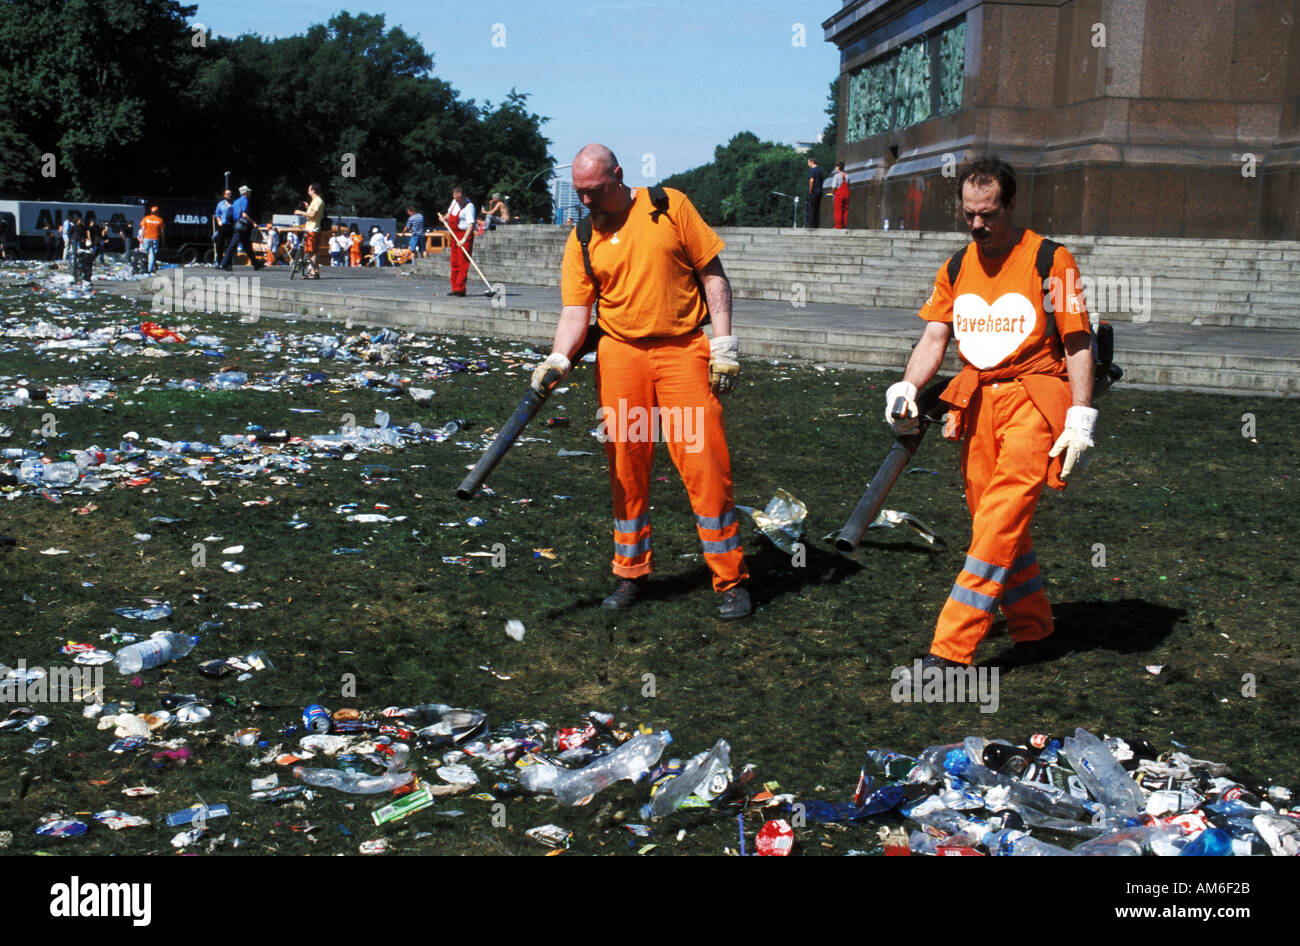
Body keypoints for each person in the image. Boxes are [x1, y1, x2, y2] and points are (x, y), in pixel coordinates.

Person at [885, 155, 1096, 674]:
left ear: (1011, 204)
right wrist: (908, 386)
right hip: (978, 403)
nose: (978, 224)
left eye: (989, 213)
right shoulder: (957, 266)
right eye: (969, 214)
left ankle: (951, 649)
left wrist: (1081, 416)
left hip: (1036, 400)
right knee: (994, 523)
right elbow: (935, 336)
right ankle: (1035, 628)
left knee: (998, 521)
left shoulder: (1052, 259)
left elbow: (1077, 339)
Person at [531, 143, 751, 620]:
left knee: (705, 466)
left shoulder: (668, 206)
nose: (585, 201)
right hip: (621, 358)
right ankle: (630, 574)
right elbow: (575, 311)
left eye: (594, 191)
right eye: (579, 193)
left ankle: (730, 578)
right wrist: (556, 357)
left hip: (681, 354)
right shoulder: (583, 236)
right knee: (626, 469)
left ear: (619, 176)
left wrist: (724, 343)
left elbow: (713, 276)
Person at [220, 185, 265, 271]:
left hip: (237, 224)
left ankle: (256, 264)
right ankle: (224, 264)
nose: (249, 193)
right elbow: (244, 214)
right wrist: (253, 222)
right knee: (232, 246)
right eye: (248, 192)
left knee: (247, 246)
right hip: (242, 226)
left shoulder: (236, 201)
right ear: (245, 193)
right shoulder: (245, 200)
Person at [441, 186, 475, 295]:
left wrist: (464, 239)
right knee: (454, 262)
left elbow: (471, 225)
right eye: (455, 198)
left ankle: (461, 289)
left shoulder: (469, 207)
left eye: (459, 199)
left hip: (464, 235)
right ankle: (454, 288)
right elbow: (449, 213)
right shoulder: (454, 202)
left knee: (462, 262)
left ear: (464, 196)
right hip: (454, 235)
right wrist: (444, 218)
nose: (457, 201)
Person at [293, 182, 325, 278]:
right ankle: (315, 271)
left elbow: (312, 215)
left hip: (313, 229)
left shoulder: (317, 201)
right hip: (312, 228)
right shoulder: (315, 201)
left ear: (313, 190)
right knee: (312, 252)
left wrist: (300, 212)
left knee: (311, 252)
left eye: (309, 189)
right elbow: (312, 213)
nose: (308, 191)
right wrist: (307, 208)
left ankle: (314, 272)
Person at [139, 205, 164, 274]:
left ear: (151, 212)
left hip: (146, 238)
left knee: (144, 253)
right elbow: (162, 232)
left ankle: (143, 267)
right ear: (157, 212)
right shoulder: (160, 220)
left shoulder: (146, 218)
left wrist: (141, 238)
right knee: (153, 254)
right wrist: (163, 240)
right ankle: (150, 269)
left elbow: (143, 229)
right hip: (155, 238)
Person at [213, 189, 235, 266]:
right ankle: (219, 262)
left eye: (230, 194)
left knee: (230, 245)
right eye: (227, 194)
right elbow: (217, 214)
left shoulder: (234, 204)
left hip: (231, 226)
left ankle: (228, 263)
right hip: (222, 226)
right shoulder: (220, 204)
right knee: (220, 244)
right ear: (224, 195)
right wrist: (219, 222)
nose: (229, 195)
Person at [829, 162, 850, 229]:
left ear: (838, 167)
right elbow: (848, 185)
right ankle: (844, 225)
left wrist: (832, 194)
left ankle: (838, 226)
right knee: (845, 210)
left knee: (838, 210)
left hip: (839, 194)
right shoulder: (847, 176)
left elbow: (834, 187)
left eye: (836, 167)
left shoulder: (836, 176)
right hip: (847, 194)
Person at [805, 156, 824, 229]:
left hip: (814, 191)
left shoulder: (813, 170)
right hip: (819, 191)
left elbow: (812, 180)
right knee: (817, 208)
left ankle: (810, 225)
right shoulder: (820, 170)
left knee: (812, 208)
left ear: (812, 162)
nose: (808, 165)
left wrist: (810, 190)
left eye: (808, 163)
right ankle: (816, 224)